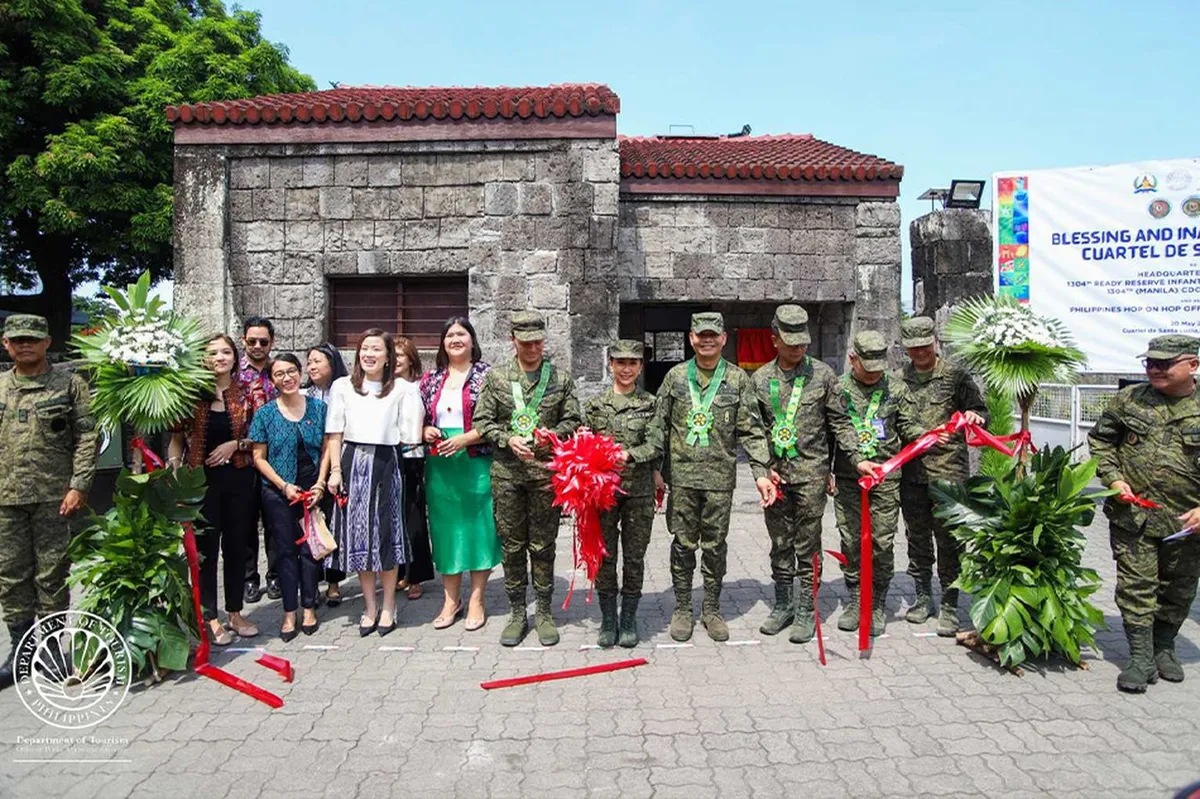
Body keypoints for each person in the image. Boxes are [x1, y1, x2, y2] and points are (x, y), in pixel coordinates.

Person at [1088, 334, 1200, 693]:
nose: (1154, 369)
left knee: (1178, 589)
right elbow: (1101, 440)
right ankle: (1139, 656)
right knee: (1136, 586)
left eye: (1164, 364)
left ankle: (1164, 646)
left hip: (1187, 524)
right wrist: (1114, 478)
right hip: (1133, 517)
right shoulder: (1129, 399)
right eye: (1149, 363)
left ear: (1192, 365)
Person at [654, 312, 776, 643]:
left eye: (713, 335)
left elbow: (751, 430)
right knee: (682, 544)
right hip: (682, 478)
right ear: (691, 338)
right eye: (701, 335)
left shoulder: (737, 380)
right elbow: (659, 427)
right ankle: (682, 608)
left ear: (723, 339)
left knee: (715, 546)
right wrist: (654, 469)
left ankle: (711, 608)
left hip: (720, 480)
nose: (707, 340)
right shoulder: (676, 377)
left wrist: (761, 474)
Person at [750, 306, 862, 644]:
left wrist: (856, 458)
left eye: (802, 343)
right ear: (774, 341)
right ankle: (783, 603)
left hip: (811, 474)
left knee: (807, 544)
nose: (798, 349)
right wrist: (761, 469)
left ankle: (806, 609)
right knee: (779, 543)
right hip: (776, 478)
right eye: (790, 343)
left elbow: (840, 423)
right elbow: (753, 431)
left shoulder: (824, 376)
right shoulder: (760, 379)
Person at [0, 314, 98, 691]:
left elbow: (88, 437)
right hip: (6, 498)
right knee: (11, 577)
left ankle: (55, 649)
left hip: (54, 497)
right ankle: (21, 654)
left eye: (32, 339)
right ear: (5, 344)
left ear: (46, 342)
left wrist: (79, 484)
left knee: (52, 575)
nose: (25, 345)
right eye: (17, 339)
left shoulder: (69, 385)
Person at [473, 311, 582, 647]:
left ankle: (546, 611)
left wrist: (555, 434)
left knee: (543, 544)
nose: (533, 348)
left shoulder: (560, 379)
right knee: (513, 545)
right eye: (526, 342)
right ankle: (518, 612)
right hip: (507, 474)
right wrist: (507, 439)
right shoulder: (497, 378)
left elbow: (573, 419)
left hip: (545, 476)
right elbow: (483, 420)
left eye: (538, 341)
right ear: (513, 341)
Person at [324, 329, 424, 638]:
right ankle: (369, 607)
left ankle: (389, 606)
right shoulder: (342, 386)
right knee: (359, 537)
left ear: (388, 355)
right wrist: (335, 471)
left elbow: (410, 434)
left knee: (386, 535)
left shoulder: (403, 389)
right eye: (364, 348)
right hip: (352, 460)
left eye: (376, 349)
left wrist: (413, 403)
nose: (369, 354)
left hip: (387, 462)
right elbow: (335, 432)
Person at [895, 316, 987, 635]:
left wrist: (976, 415)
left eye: (924, 346)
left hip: (948, 474)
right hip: (912, 474)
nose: (919, 352)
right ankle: (923, 599)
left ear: (935, 341)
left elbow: (980, 411)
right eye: (913, 348)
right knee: (917, 539)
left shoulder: (955, 376)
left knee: (949, 541)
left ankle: (949, 605)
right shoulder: (898, 379)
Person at [168, 334, 259, 645]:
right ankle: (209, 617)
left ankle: (235, 612)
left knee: (236, 548)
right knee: (205, 552)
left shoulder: (248, 391)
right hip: (200, 482)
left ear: (235, 357)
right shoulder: (191, 393)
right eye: (212, 353)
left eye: (226, 352)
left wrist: (234, 445)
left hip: (239, 480)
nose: (220, 357)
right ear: (203, 358)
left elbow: (261, 438)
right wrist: (173, 463)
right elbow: (177, 437)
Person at [831, 331, 920, 637]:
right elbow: (830, 432)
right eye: (866, 368)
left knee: (881, 542)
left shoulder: (896, 388)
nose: (873, 374)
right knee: (852, 541)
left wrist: (927, 435)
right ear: (852, 359)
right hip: (849, 479)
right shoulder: (838, 389)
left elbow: (908, 425)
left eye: (878, 368)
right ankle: (856, 600)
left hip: (885, 478)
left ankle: (878, 602)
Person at [419, 317, 501, 631]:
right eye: (450, 334)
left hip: (475, 460)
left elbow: (500, 419)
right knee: (445, 531)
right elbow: (420, 418)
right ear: (442, 342)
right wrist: (425, 429)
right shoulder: (430, 379)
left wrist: (466, 437)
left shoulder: (489, 376)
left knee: (480, 529)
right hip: (441, 465)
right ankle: (451, 600)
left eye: (461, 334)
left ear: (472, 340)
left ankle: (477, 598)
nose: (455, 339)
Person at [582, 339, 663, 648]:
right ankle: (607, 619)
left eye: (633, 363)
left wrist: (629, 455)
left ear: (640, 367)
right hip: (603, 493)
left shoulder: (650, 403)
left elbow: (656, 444)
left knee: (634, 556)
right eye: (620, 363)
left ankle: (628, 618)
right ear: (610, 365)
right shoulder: (595, 405)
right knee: (604, 555)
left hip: (638, 490)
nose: (626, 369)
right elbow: (585, 445)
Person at [249, 354, 330, 641]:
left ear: (300, 373)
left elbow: (327, 449)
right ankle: (288, 610)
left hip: (311, 490)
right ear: (272, 381)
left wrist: (320, 484)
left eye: (292, 371)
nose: (287, 378)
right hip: (278, 491)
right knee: (284, 551)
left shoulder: (319, 408)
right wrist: (283, 486)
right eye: (279, 374)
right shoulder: (265, 414)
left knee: (310, 550)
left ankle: (309, 606)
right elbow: (259, 457)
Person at [305, 343, 349, 605]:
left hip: (337, 467)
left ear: (332, 364)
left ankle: (334, 582)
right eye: (309, 362)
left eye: (318, 361)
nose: (312, 366)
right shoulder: (301, 394)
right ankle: (311, 582)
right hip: (308, 467)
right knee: (310, 527)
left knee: (334, 525)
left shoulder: (344, 392)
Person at [240, 316, 279, 603]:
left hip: (275, 458)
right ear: (244, 341)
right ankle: (248, 579)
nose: (257, 346)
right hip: (241, 459)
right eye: (252, 341)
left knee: (275, 522)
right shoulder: (234, 374)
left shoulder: (278, 372)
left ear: (271, 343)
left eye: (263, 342)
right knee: (245, 521)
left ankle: (275, 576)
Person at [393, 336, 434, 602]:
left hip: (415, 456)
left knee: (414, 519)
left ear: (411, 358)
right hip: (388, 457)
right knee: (391, 519)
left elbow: (431, 417)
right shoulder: (381, 388)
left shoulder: (422, 387)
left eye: (400, 355)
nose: (396, 360)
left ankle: (416, 575)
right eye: (392, 354)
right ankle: (397, 572)